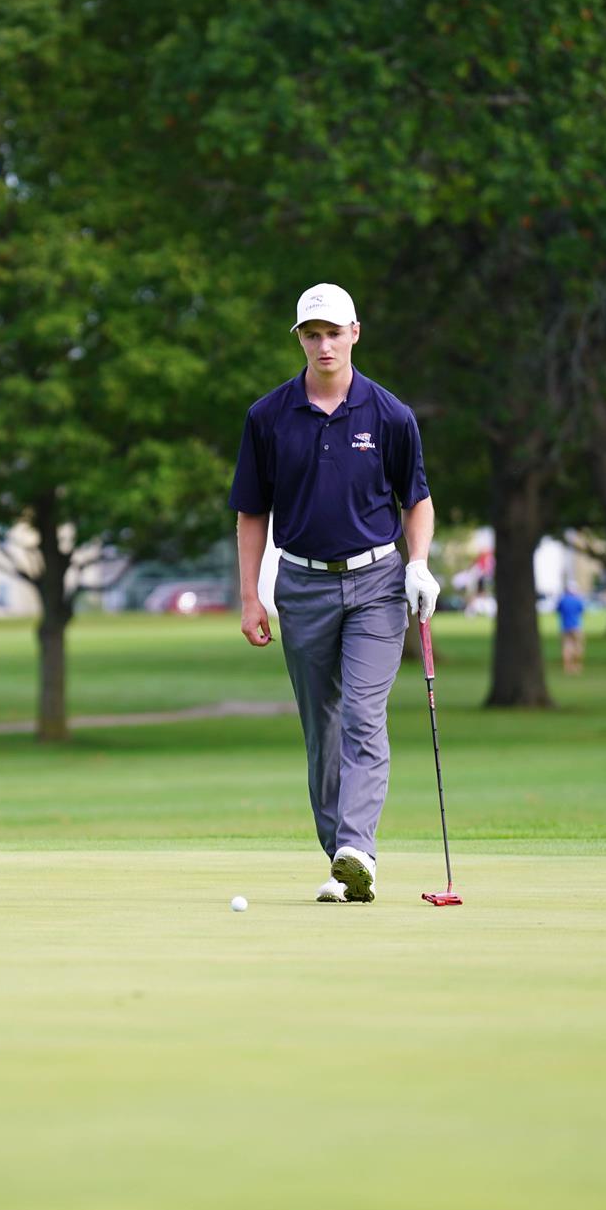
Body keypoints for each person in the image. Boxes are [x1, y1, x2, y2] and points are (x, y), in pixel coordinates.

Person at [229, 283, 438, 904]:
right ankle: (342, 859)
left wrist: (419, 564)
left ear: (355, 333)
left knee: (362, 715)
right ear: (300, 339)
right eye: (311, 334)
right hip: (301, 583)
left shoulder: (390, 414)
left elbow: (417, 500)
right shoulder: (268, 417)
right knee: (321, 729)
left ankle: (357, 847)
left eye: (332, 332)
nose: (323, 344)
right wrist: (249, 596)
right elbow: (250, 512)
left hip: (376, 583)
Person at [556, 583, 585, 675]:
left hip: (564, 627)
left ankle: (567, 667)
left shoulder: (562, 600)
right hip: (576, 626)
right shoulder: (577, 600)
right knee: (578, 646)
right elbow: (581, 611)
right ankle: (577, 666)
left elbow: (558, 610)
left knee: (566, 647)